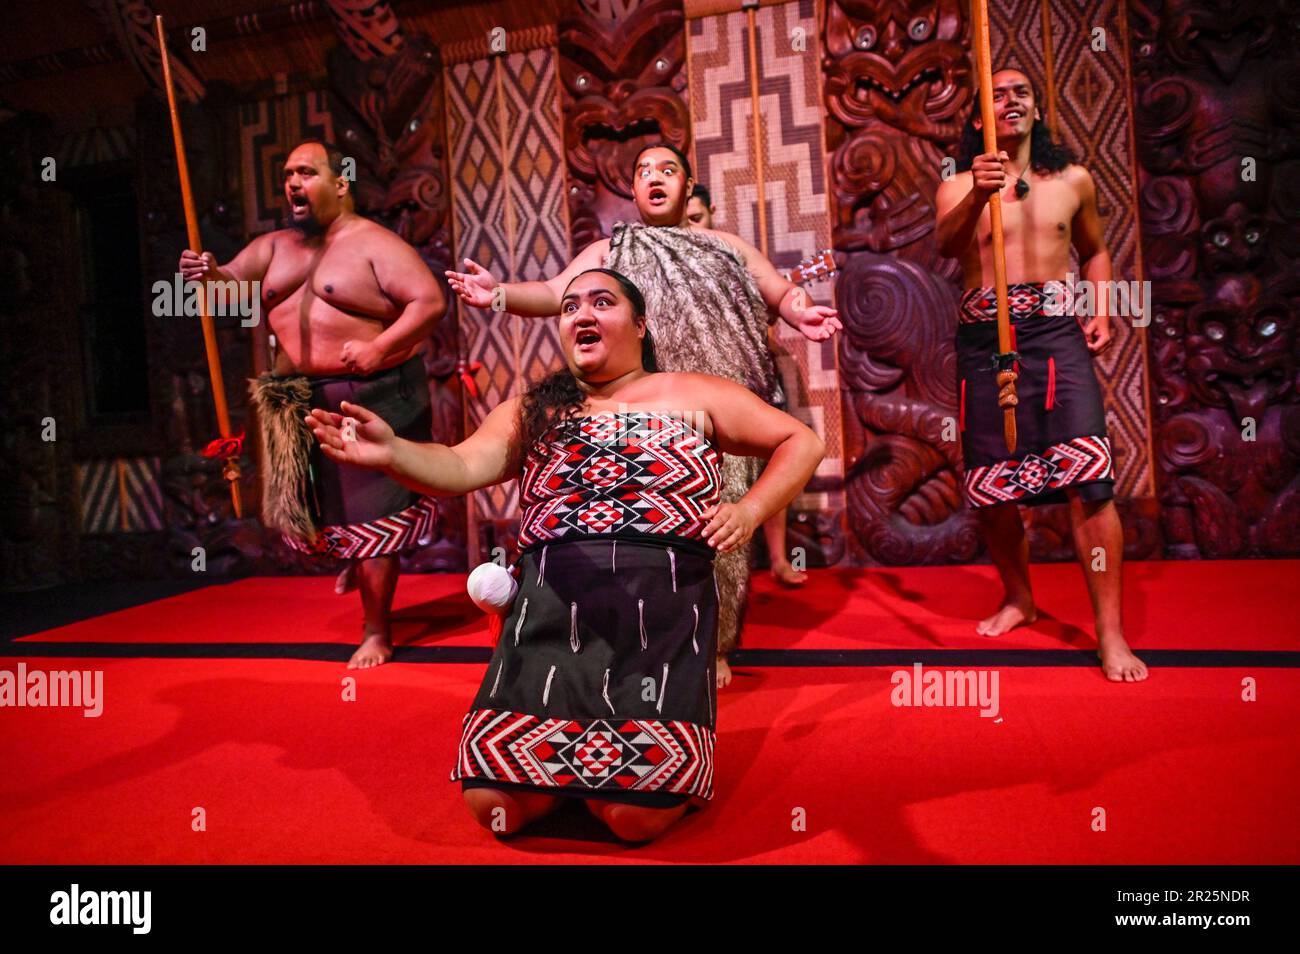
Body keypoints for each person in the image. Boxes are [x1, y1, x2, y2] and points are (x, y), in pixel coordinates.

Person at [306, 268, 824, 841]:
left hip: (658, 621)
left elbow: (800, 441)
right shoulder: (534, 411)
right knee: (494, 806)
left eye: (602, 303)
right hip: (548, 615)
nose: (582, 314)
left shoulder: (694, 392)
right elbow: (456, 467)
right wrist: (393, 452)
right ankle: (574, 779)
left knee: (635, 817)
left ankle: (598, 784)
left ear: (641, 324)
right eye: (570, 306)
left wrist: (749, 511)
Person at [446, 143, 839, 686]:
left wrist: (801, 311)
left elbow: (776, 291)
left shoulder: (723, 245)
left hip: (715, 409)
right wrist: (497, 296)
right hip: (645, 411)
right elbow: (553, 291)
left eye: (668, 170)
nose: (655, 178)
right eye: (643, 171)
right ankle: (634, 640)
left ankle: (716, 645)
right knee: (646, 532)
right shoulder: (610, 250)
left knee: (718, 533)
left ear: (687, 184)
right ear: (632, 190)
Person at [179, 140, 446, 669]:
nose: (293, 182)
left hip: (372, 395)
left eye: (307, 172)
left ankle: (376, 630)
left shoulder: (374, 243)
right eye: (287, 174)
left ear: (340, 183)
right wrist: (207, 274)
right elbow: (230, 283)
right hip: (297, 400)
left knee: (375, 520)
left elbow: (430, 301)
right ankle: (353, 559)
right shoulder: (274, 247)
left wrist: (377, 347)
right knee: (314, 514)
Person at [934, 68, 1147, 682]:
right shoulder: (956, 186)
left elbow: (1097, 250)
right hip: (984, 340)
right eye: (997, 95)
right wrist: (978, 192)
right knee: (991, 484)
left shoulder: (1072, 179)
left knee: (1092, 480)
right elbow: (947, 246)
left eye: (1021, 92)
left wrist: (1102, 310)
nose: (1012, 101)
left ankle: (1110, 633)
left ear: (1035, 109)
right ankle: (1020, 597)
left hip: (1055, 336)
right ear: (979, 119)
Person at [685, 181, 808, 588]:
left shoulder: (733, 254)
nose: (692, 228)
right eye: (686, 221)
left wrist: (792, 307)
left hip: (751, 379)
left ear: (712, 211)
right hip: (696, 388)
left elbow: (774, 303)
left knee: (773, 462)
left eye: (697, 218)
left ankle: (777, 558)